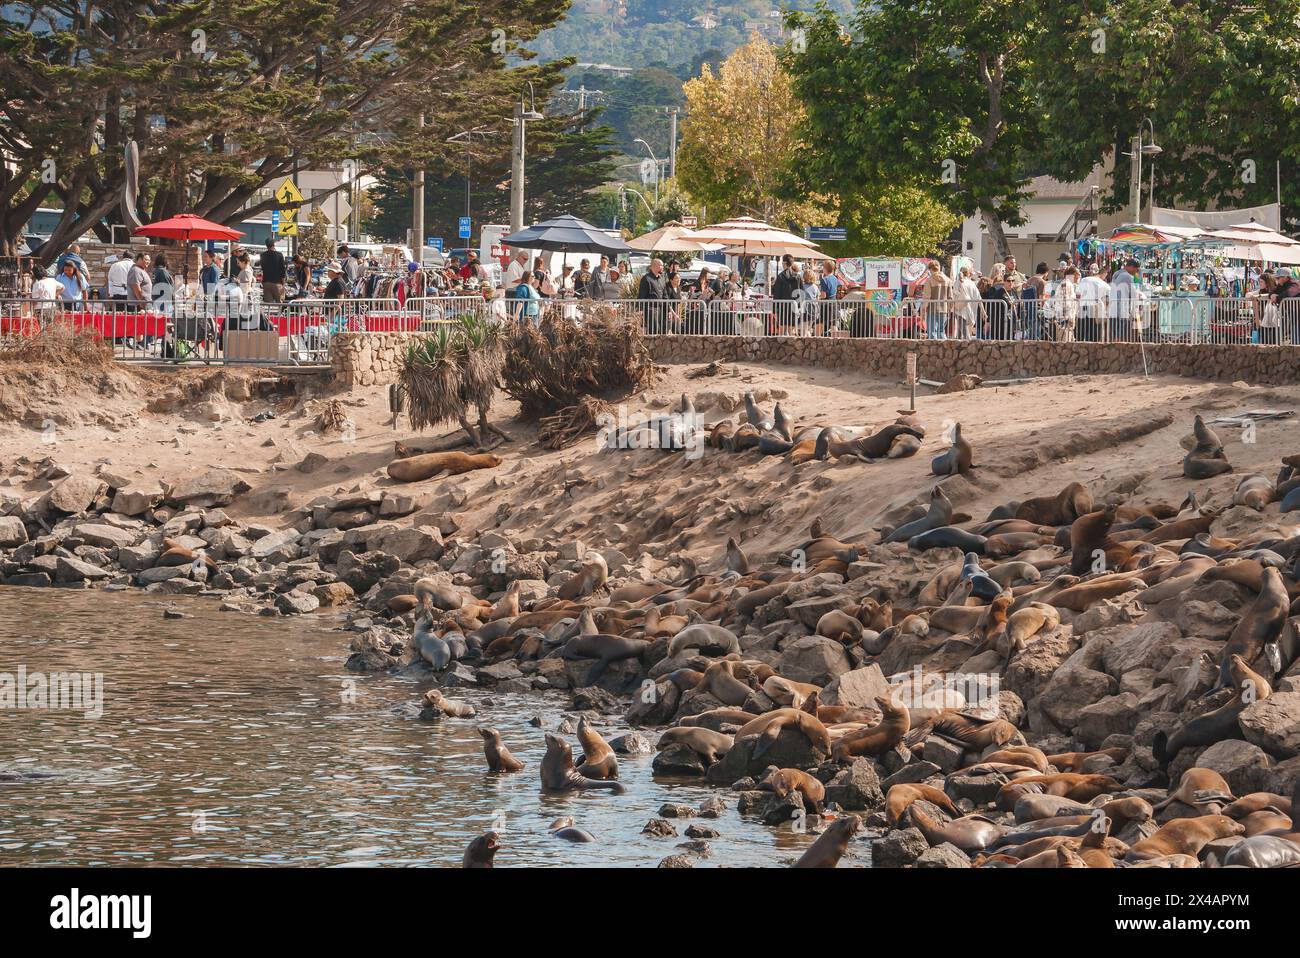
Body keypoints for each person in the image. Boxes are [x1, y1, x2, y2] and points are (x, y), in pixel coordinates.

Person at [1109, 258, 1141, 342]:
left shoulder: (1116, 273)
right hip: (1123, 308)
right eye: (1136, 269)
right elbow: (1133, 293)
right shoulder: (1127, 276)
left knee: (1115, 334)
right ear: (1131, 267)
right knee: (1121, 335)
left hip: (1113, 307)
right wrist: (1135, 308)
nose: (1136, 271)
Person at [1076, 263, 1109, 342]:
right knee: (1094, 333)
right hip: (1095, 309)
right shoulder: (1104, 284)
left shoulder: (1084, 280)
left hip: (1082, 308)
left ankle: (1079, 348)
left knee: (1081, 332)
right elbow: (1108, 298)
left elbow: (1077, 294)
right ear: (1103, 274)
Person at [919, 260, 952, 340]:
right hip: (944, 309)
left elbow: (927, 297)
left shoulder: (929, 281)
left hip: (931, 309)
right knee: (941, 331)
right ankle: (943, 350)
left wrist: (922, 312)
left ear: (930, 269)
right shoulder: (948, 280)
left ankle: (933, 351)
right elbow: (950, 297)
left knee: (932, 331)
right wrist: (949, 309)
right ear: (939, 267)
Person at [771, 254, 801, 330]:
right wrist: (800, 307)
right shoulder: (798, 277)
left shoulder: (780, 276)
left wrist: (774, 310)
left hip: (783, 306)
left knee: (781, 330)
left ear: (784, 263)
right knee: (791, 330)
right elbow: (801, 293)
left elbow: (776, 294)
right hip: (794, 306)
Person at [637, 257, 668, 333]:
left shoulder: (662, 278)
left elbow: (665, 295)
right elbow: (641, 295)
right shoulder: (646, 279)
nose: (662, 267)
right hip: (651, 309)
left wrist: (668, 310)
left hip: (661, 309)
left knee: (662, 331)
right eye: (661, 265)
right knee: (653, 331)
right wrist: (640, 310)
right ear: (654, 266)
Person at [1052, 266, 1079, 341]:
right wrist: (1067, 318)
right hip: (1064, 321)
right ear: (1073, 274)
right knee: (1064, 344)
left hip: (1067, 321)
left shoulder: (1068, 284)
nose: (1079, 276)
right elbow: (1065, 301)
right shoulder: (1066, 284)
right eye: (1078, 274)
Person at [955, 265, 981, 338]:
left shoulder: (958, 282)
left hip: (960, 308)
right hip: (970, 309)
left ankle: (970, 344)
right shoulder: (972, 283)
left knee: (963, 330)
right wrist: (983, 311)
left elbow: (954, 293)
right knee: (961, 329)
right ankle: (958, 345)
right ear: (969, 273)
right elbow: (978, 297)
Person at [260, 238, 287, 303]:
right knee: (280, 303)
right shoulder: (279, 255)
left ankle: (269, 314)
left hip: (266, 282)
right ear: (274, 245)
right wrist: (283, 283)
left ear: (266, 245)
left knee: (269, 305)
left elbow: (262, 268)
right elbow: (282, 270)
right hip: (277, 282)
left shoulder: (262, 255)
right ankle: (279, 313)